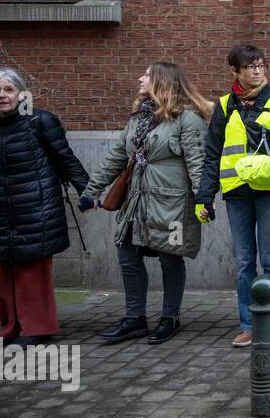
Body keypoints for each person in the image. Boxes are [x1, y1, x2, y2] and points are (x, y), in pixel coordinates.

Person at [81, 63, 211, 344]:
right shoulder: (139, 116)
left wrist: (204, 200)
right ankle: (134, 318)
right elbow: (117, 155)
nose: (140, 78)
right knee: (127, 255)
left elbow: (198, 163)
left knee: (169, 257)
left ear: (162, 81)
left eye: (147, 75)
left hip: (172, 204)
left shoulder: (188, 119)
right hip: (136, 200)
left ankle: (170, 317)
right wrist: (92, 190)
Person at [195, 45, 270, 347]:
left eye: (260, 65)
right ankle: (248, 324)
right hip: (236, 194)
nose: (257, 71)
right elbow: (212, 154)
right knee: (244, 261)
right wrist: (203, 198)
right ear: (235, 71)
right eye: (249, 67)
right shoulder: (224, 106)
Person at [0, 68, 90, 346]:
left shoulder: (41, 121)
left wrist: (89, 191)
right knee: (4, 269)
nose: (2, 95)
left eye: (8, 90)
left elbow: (66, 158)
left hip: (38, 207)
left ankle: (36, 329)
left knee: (32, 270)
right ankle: (10, 329)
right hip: (5, 209)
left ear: (21, 93)